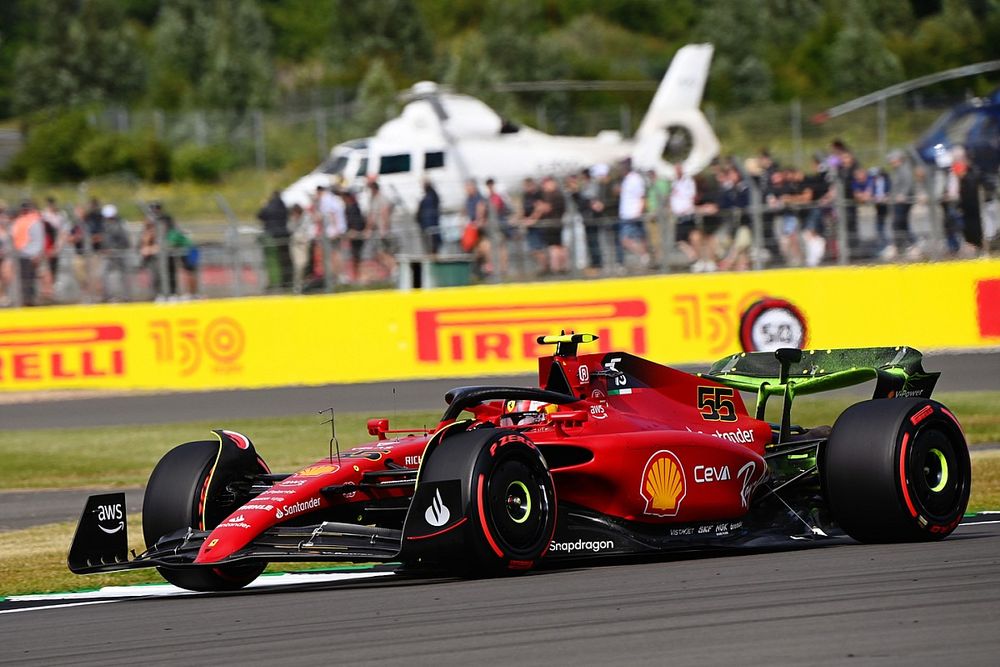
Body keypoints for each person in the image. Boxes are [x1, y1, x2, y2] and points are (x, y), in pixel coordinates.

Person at [525, 176, 568, 275]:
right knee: (558, 246)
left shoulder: (553, 195)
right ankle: (561, 268)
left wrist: (535, 214)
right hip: (556, 224)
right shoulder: (555, 194)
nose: (544, 186)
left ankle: (556, 269)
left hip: (552, 224)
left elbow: (546, 208)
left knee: (554, 247)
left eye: (546, 184)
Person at [617, 159, 650, 270]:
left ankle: (644, 256)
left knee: (626, 240)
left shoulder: (635, 179)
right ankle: (645, 257)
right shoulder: (627, 179)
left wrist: (639, 211)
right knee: (639, 238)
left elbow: (642, 196)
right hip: (627, 215)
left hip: (632, 215)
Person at [257, 191, 292, 291]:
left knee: (272, 260)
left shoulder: (269, 206)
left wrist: (264, 206)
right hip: (284, 234)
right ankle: (286, 281)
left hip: (271, 235)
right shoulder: (284, 206)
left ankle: (274, 282)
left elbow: (260, 215)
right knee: (285, 260)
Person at [12, 200, 44, 306]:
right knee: (24, 280)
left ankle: (30, 301)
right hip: (21, 254)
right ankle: (26, 300)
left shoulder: (34, 221)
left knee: (29, 280)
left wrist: (36, 254)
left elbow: (39, 240)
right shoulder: (20, 221)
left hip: (30, 255)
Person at [885, 149, 915, 261]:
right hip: (897, 201)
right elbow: (895, 186)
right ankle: (901, 245)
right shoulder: (897, 170)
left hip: (903, 201)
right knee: (899, 223)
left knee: (900, 222)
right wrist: (891, 195)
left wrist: (903, 194)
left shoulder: (904, 169)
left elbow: (908, 183)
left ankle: (910, 244)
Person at [460, 179, 491, 277]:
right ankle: (479, 271)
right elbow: (464, 212)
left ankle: (489, 270)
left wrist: (478, 222)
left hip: (480, 228)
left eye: (468, 187)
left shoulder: (479, 198)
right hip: (473, 228)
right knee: (476, 250)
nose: (467, 190)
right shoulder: (468, 199)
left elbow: (480, 209)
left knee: (484, 248)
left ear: (473, 187)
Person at [343, 190, 367, 282]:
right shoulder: (347, 208)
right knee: (354, 257)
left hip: (358, 236)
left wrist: (355, 231)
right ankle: (355, 276)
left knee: (359, 256)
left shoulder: (355, 207)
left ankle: (360, 276)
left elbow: (359, 222)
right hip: (351, 237)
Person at [416, 179, 441, 255]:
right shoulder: (430, 196)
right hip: (427, 225)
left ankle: (433, 254)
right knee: (430, 245)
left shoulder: (431, 196)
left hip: (429, 225)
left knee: (432, 245)